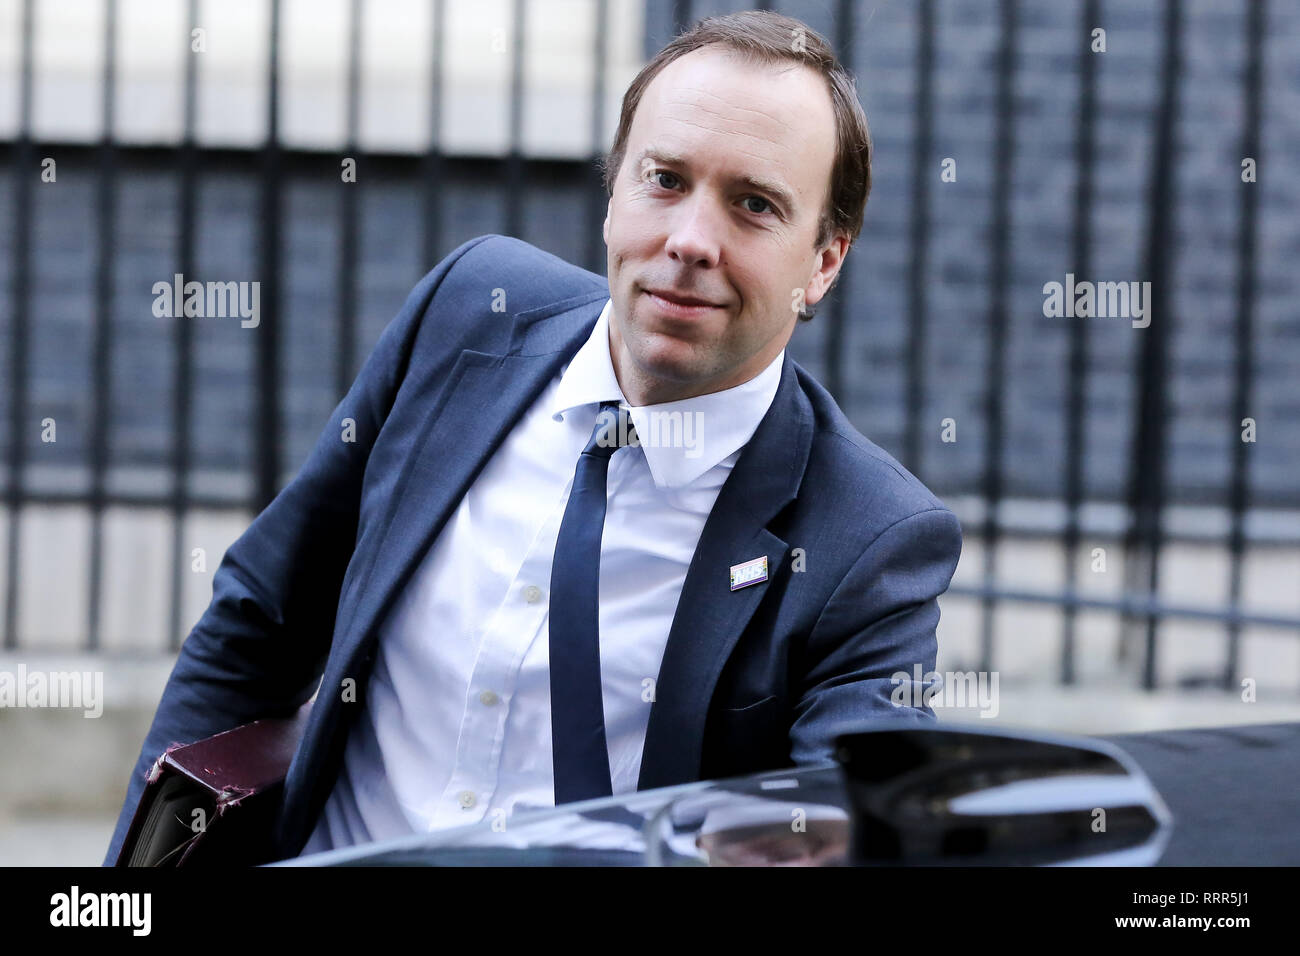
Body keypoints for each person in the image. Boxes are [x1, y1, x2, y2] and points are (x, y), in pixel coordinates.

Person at [104, 9, 961, 865]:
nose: (691, 241)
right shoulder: (469, 314)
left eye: (754, 204)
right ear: (614, 190)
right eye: (664, 180)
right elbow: (259, 622)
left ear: (824, 260)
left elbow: (852, 822)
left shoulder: (868, 541)